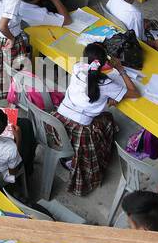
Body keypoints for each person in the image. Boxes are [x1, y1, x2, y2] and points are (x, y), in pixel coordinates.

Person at [55, 41, 140, 195]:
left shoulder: (77, 68)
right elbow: (134, 93)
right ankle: (97, 151)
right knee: (107, 119)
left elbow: (89, 90)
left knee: (105, 117)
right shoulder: (106, 83)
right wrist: (120, 70)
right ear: (104, 63)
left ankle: (70, 153)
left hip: (59, 119)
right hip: (81, 130)